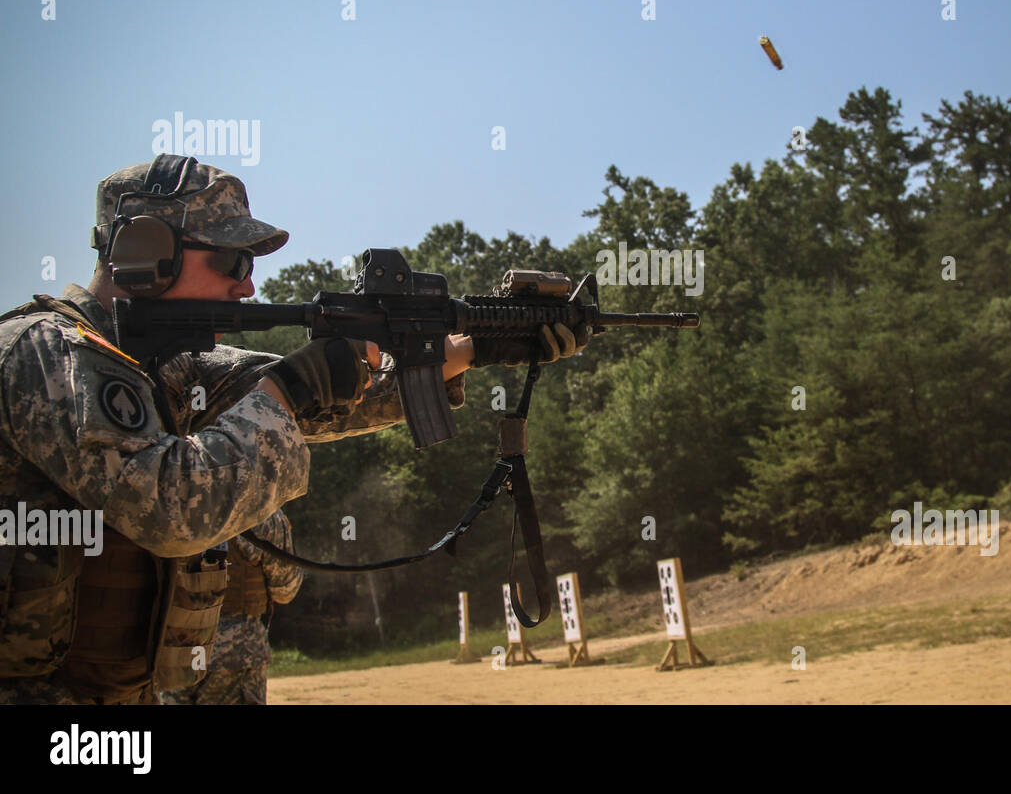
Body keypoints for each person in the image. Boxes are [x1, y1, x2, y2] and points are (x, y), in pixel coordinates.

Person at [0, 154, 584, 704]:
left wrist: (476, 347)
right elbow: (171, 509)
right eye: (232, 262)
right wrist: (286, 392)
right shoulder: (50, 356)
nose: (247, 286)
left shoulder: (164, 367)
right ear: (146, 251)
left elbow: (328, 400)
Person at [159, 509, 302, 705]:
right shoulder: (262, 510)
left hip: (176, 649)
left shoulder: (172, 502)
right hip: (235, 653)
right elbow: (285, 590)